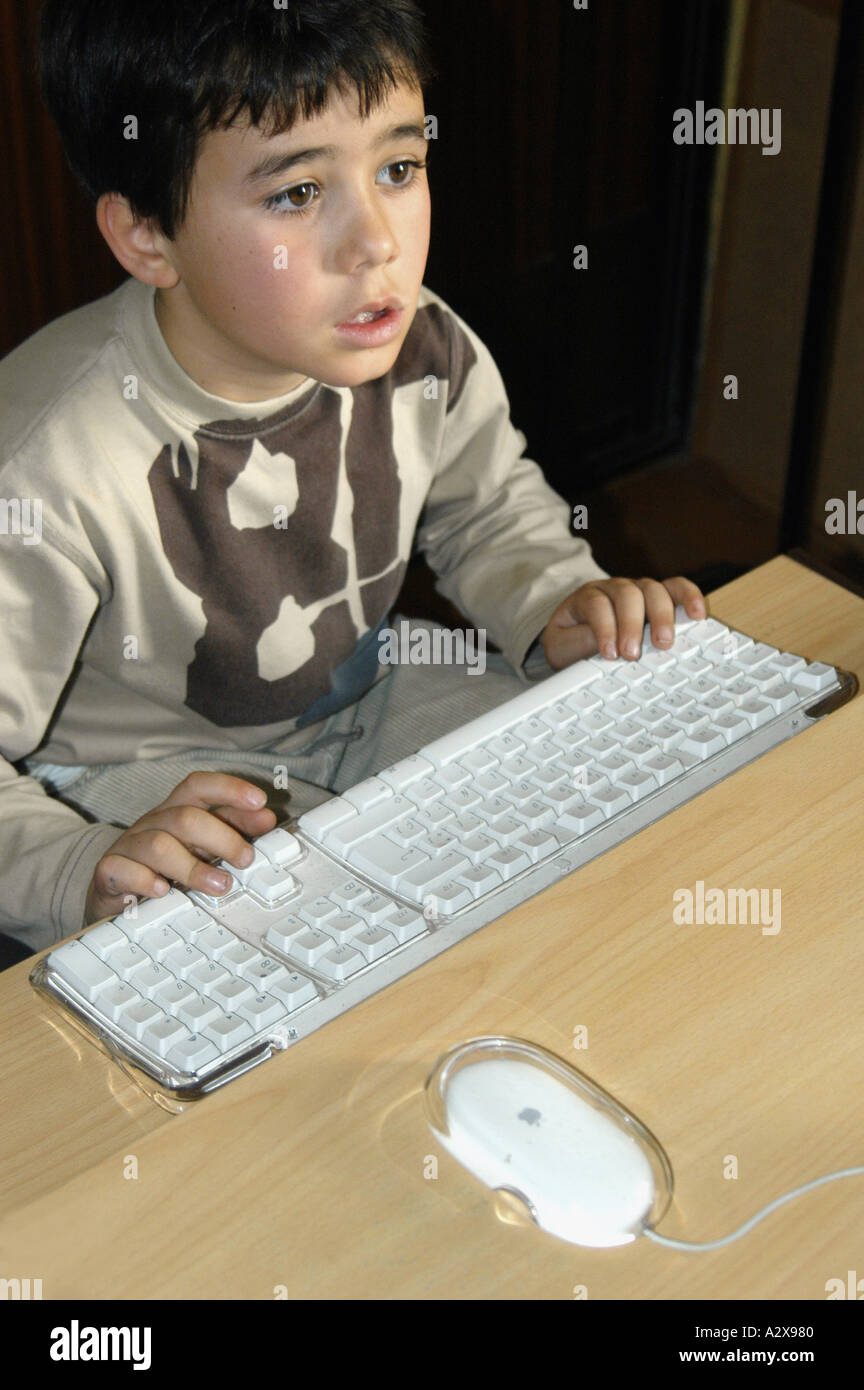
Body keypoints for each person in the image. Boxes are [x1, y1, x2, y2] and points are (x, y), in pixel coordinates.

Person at [0, 0, 705, 950]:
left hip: (370, 693)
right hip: (132, 779)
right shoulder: (46, 460)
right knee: (298, 953)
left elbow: (488, 514)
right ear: (147, 237)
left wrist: (556, 602)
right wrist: (80, 868)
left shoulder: (421, 346)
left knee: (613, 790)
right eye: (296, 193)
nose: (376, 242)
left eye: (399, 168)